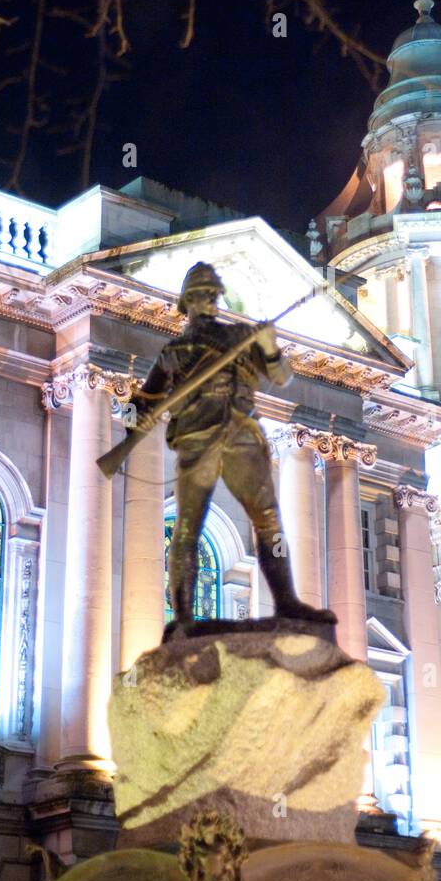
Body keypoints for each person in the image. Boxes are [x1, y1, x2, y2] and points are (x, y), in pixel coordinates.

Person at [128, 261, 336, 630]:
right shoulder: (172, 352)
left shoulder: (240, 337)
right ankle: (183, 618)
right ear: (186, 303)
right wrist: (137, 415)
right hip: (197, 438)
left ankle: (287, 602)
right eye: (200, 296)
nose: (208, 302)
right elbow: (140, 406)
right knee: (188, 527)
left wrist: (269, 347)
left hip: (241, 436)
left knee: (269, 522)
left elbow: (282, 377)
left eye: (212, 295)